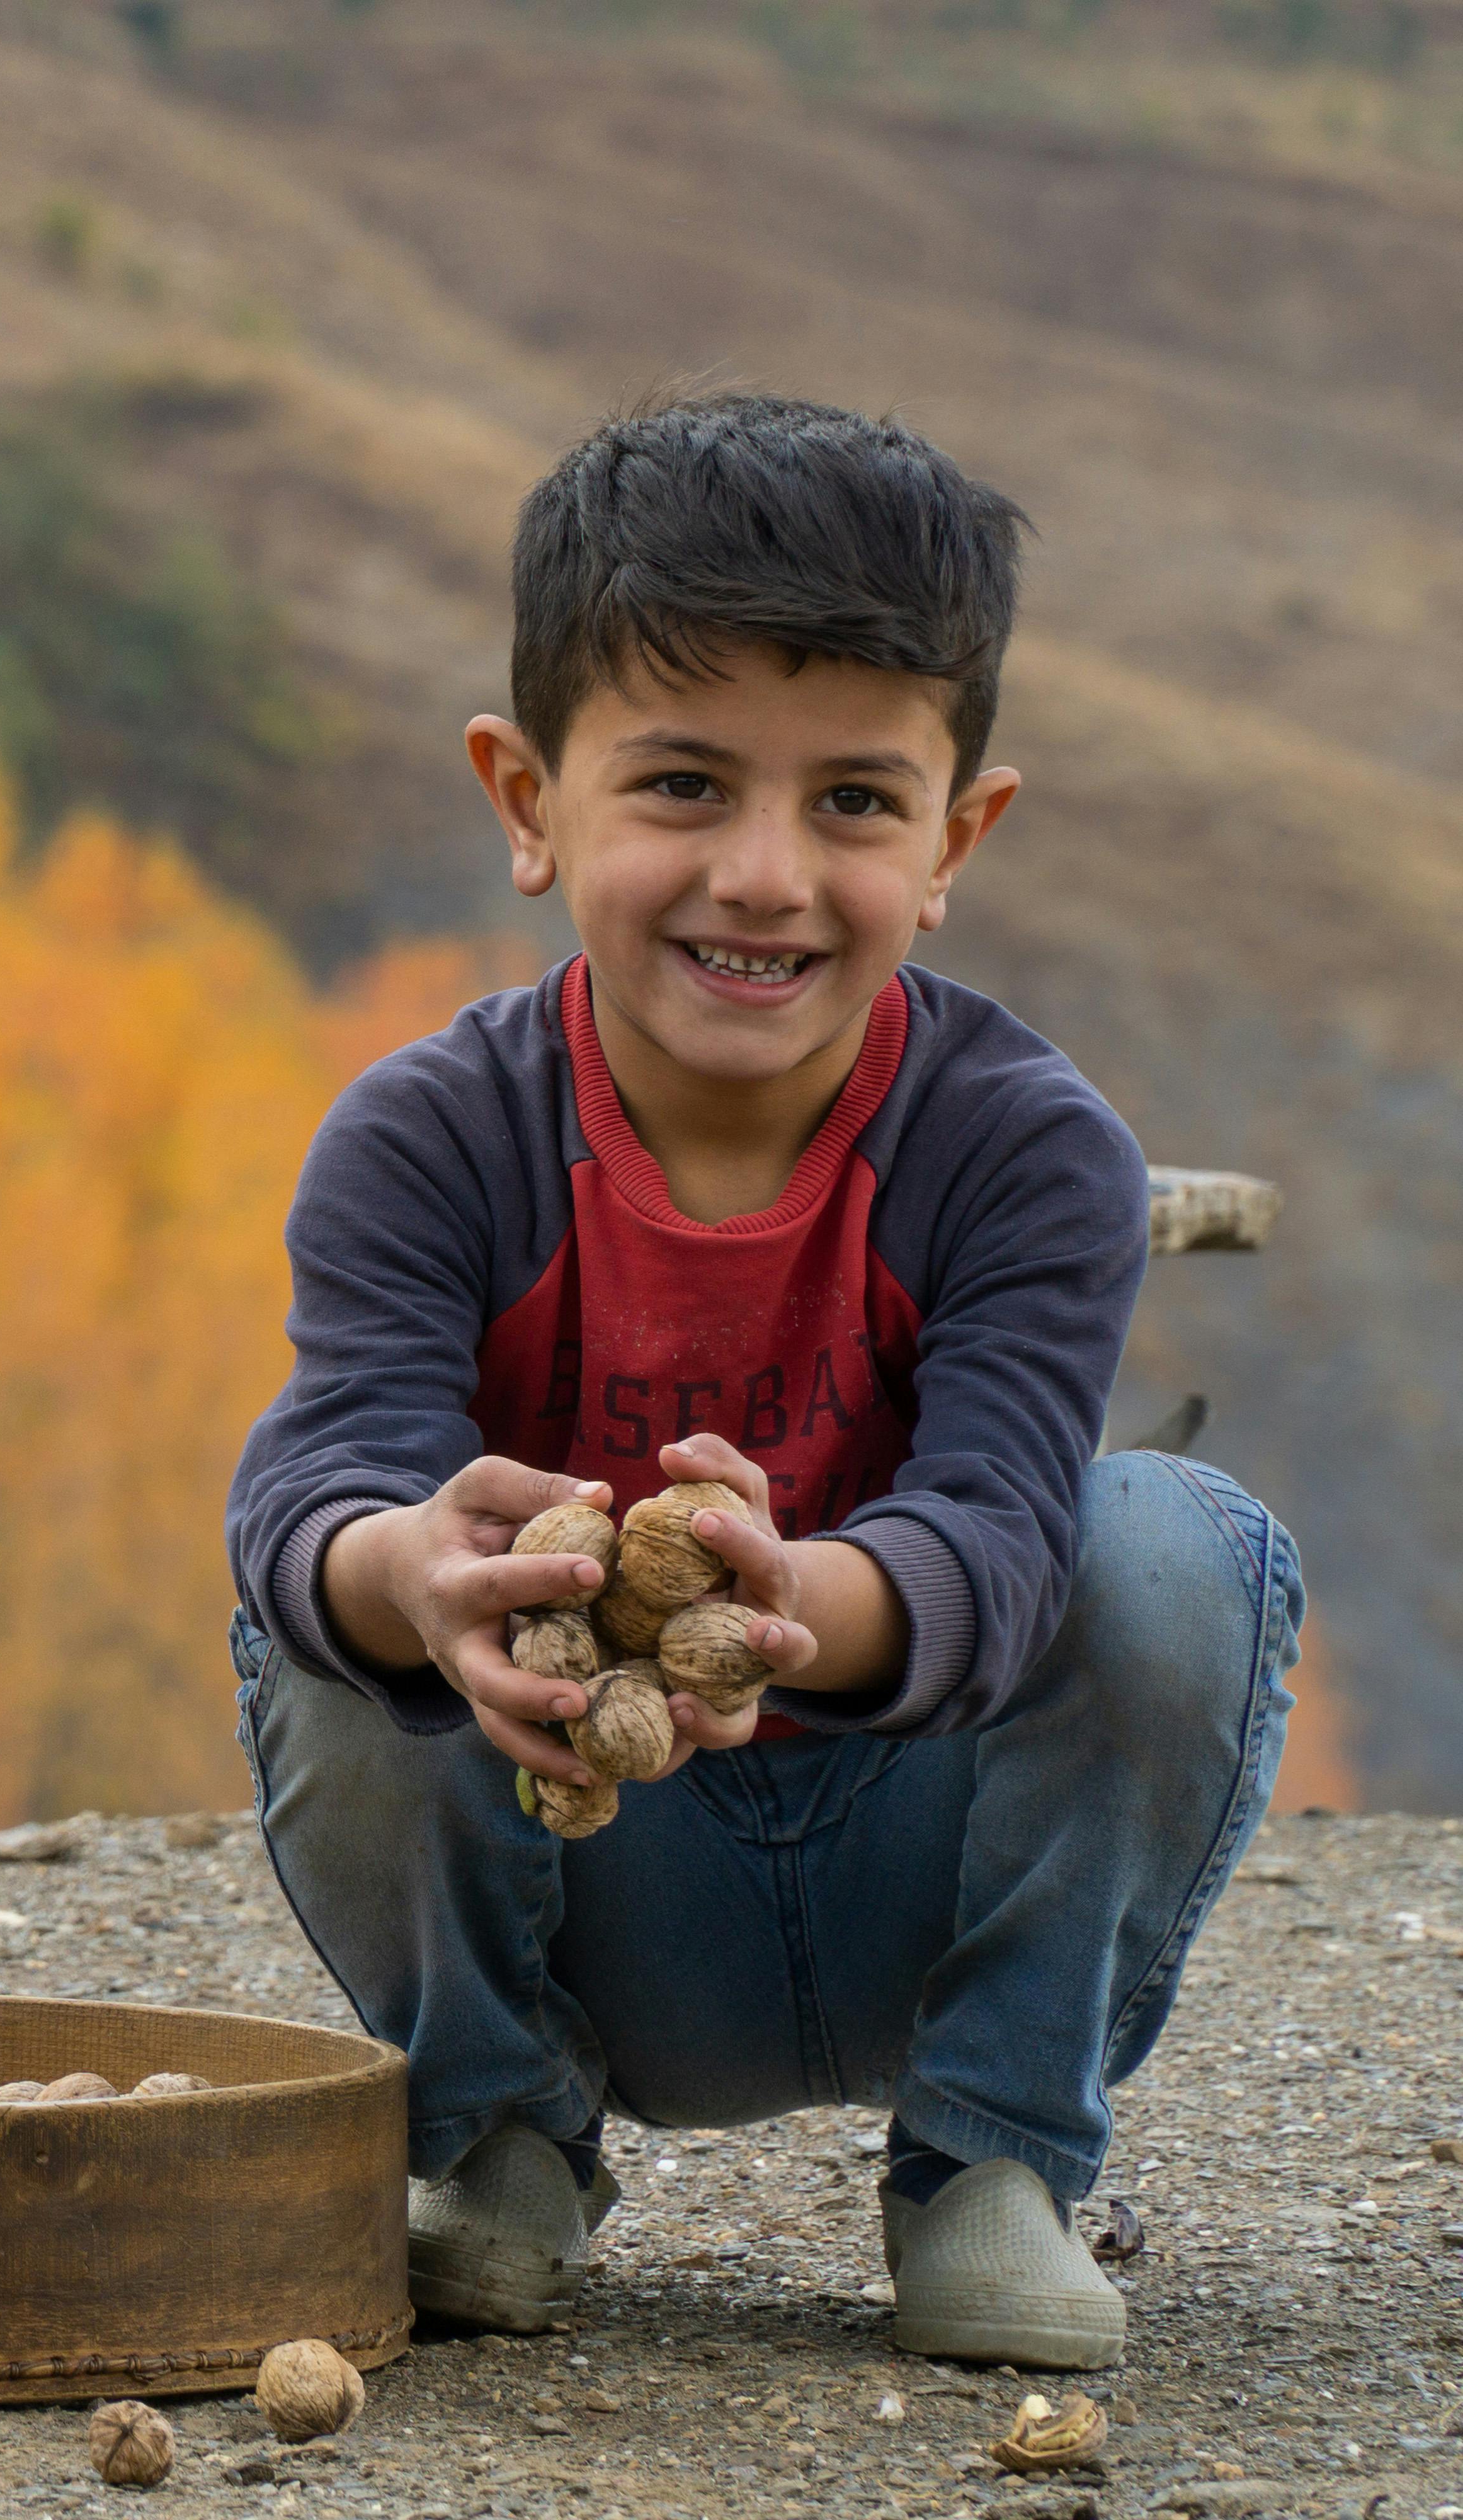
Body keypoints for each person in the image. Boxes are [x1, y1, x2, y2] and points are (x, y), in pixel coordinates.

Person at [223, 394, 1302, 2371]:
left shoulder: (1021, 1148)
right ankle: (498, 2136)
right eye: (686, 786)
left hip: (923, 1856)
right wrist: (424, 1590)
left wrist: (798, 1607)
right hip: (588, 1877)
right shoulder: (427, 1140)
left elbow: (995, 1527)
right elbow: (325, 1481)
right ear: (529, 799)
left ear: (959, 837)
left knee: (1173, 1546)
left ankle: (991, 2158)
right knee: (331, 1600)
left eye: (857, 805)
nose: (767, 875)